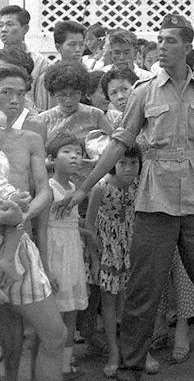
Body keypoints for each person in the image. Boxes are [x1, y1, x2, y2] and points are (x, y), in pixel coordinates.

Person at [56, 13, 194, 381]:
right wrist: (86, 187)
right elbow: (120, 142)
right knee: (142, 292)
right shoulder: (143, 91)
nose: (162, 46)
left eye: (170, 40)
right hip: (154, 201)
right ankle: (131, 367)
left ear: (187, 47)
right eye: (160, 39)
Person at [0, 63, 67, 381]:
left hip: (18, 244)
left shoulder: (30, 138)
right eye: (5, 92)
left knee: (53, 334)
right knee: (7, 330)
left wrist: (20, 217)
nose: (14, 100)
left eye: (20, 93)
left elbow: (44, 191)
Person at [85, 144, 159, 378]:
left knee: (134, 300)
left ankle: (139, 350)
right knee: (109, 300)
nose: (129, 169)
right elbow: (88, 225)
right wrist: (95, 260)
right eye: (122, 163)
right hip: (107, 247)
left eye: (134, 163)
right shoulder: (101, 187)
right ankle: (114, 352)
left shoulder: (140, 183)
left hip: (133, 243)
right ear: (112, 165)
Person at [46, 133, 90, 378]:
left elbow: (71, 225)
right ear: (52, 159)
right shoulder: (47, 188)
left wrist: (88, 236)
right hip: (55, 253)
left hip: (73, 253)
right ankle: (50, 363)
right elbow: (43, 227)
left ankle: (65, 363)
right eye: (67, 151)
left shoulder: (75, 188)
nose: (74, 155)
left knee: (71, 311)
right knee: (54, 313)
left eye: (78, 152)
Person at [31, 62, 111, 153]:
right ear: (53, 94)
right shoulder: (43, 119)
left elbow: (110, 147)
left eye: (74, 94)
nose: (68, 100)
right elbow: (37, 154)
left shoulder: (96, 115)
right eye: (62, 95)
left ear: (82, 92)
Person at [0, 5, 49, 112]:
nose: (4, 30)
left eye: (10, 24)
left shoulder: (39, 62)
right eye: (1, 25)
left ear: (25, 29)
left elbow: (42, 103)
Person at [0, 150, 31, 294]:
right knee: (16, 221)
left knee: (18, 222)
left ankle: (7, 258)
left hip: (5, 196)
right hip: (5, 199)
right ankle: (7, 259)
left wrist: (16, 197)